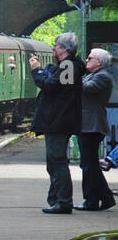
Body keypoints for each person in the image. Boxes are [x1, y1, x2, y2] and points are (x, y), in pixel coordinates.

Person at [28, 32, 85, 214]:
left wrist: (37, 70)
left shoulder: (68, 66)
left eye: (56, 45)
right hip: (58, 120)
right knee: (53, 162)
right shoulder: (66, 66)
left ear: (65, 49)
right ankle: (55, 200)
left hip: (59, 121)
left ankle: (63, 201)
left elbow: (53, 87)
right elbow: (56, 85)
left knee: (57, 161)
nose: (53, 48)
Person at [78, 49, 116, 210]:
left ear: (99, 62)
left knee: (88, 165)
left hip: (92, 125)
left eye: (90, 58)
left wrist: (72, 77)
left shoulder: (102, 76)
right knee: (90, 164)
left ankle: (91, 200)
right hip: (88, 125)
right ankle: (105, 198)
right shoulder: (96, 75)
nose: (87, 60)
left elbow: (87, 88)